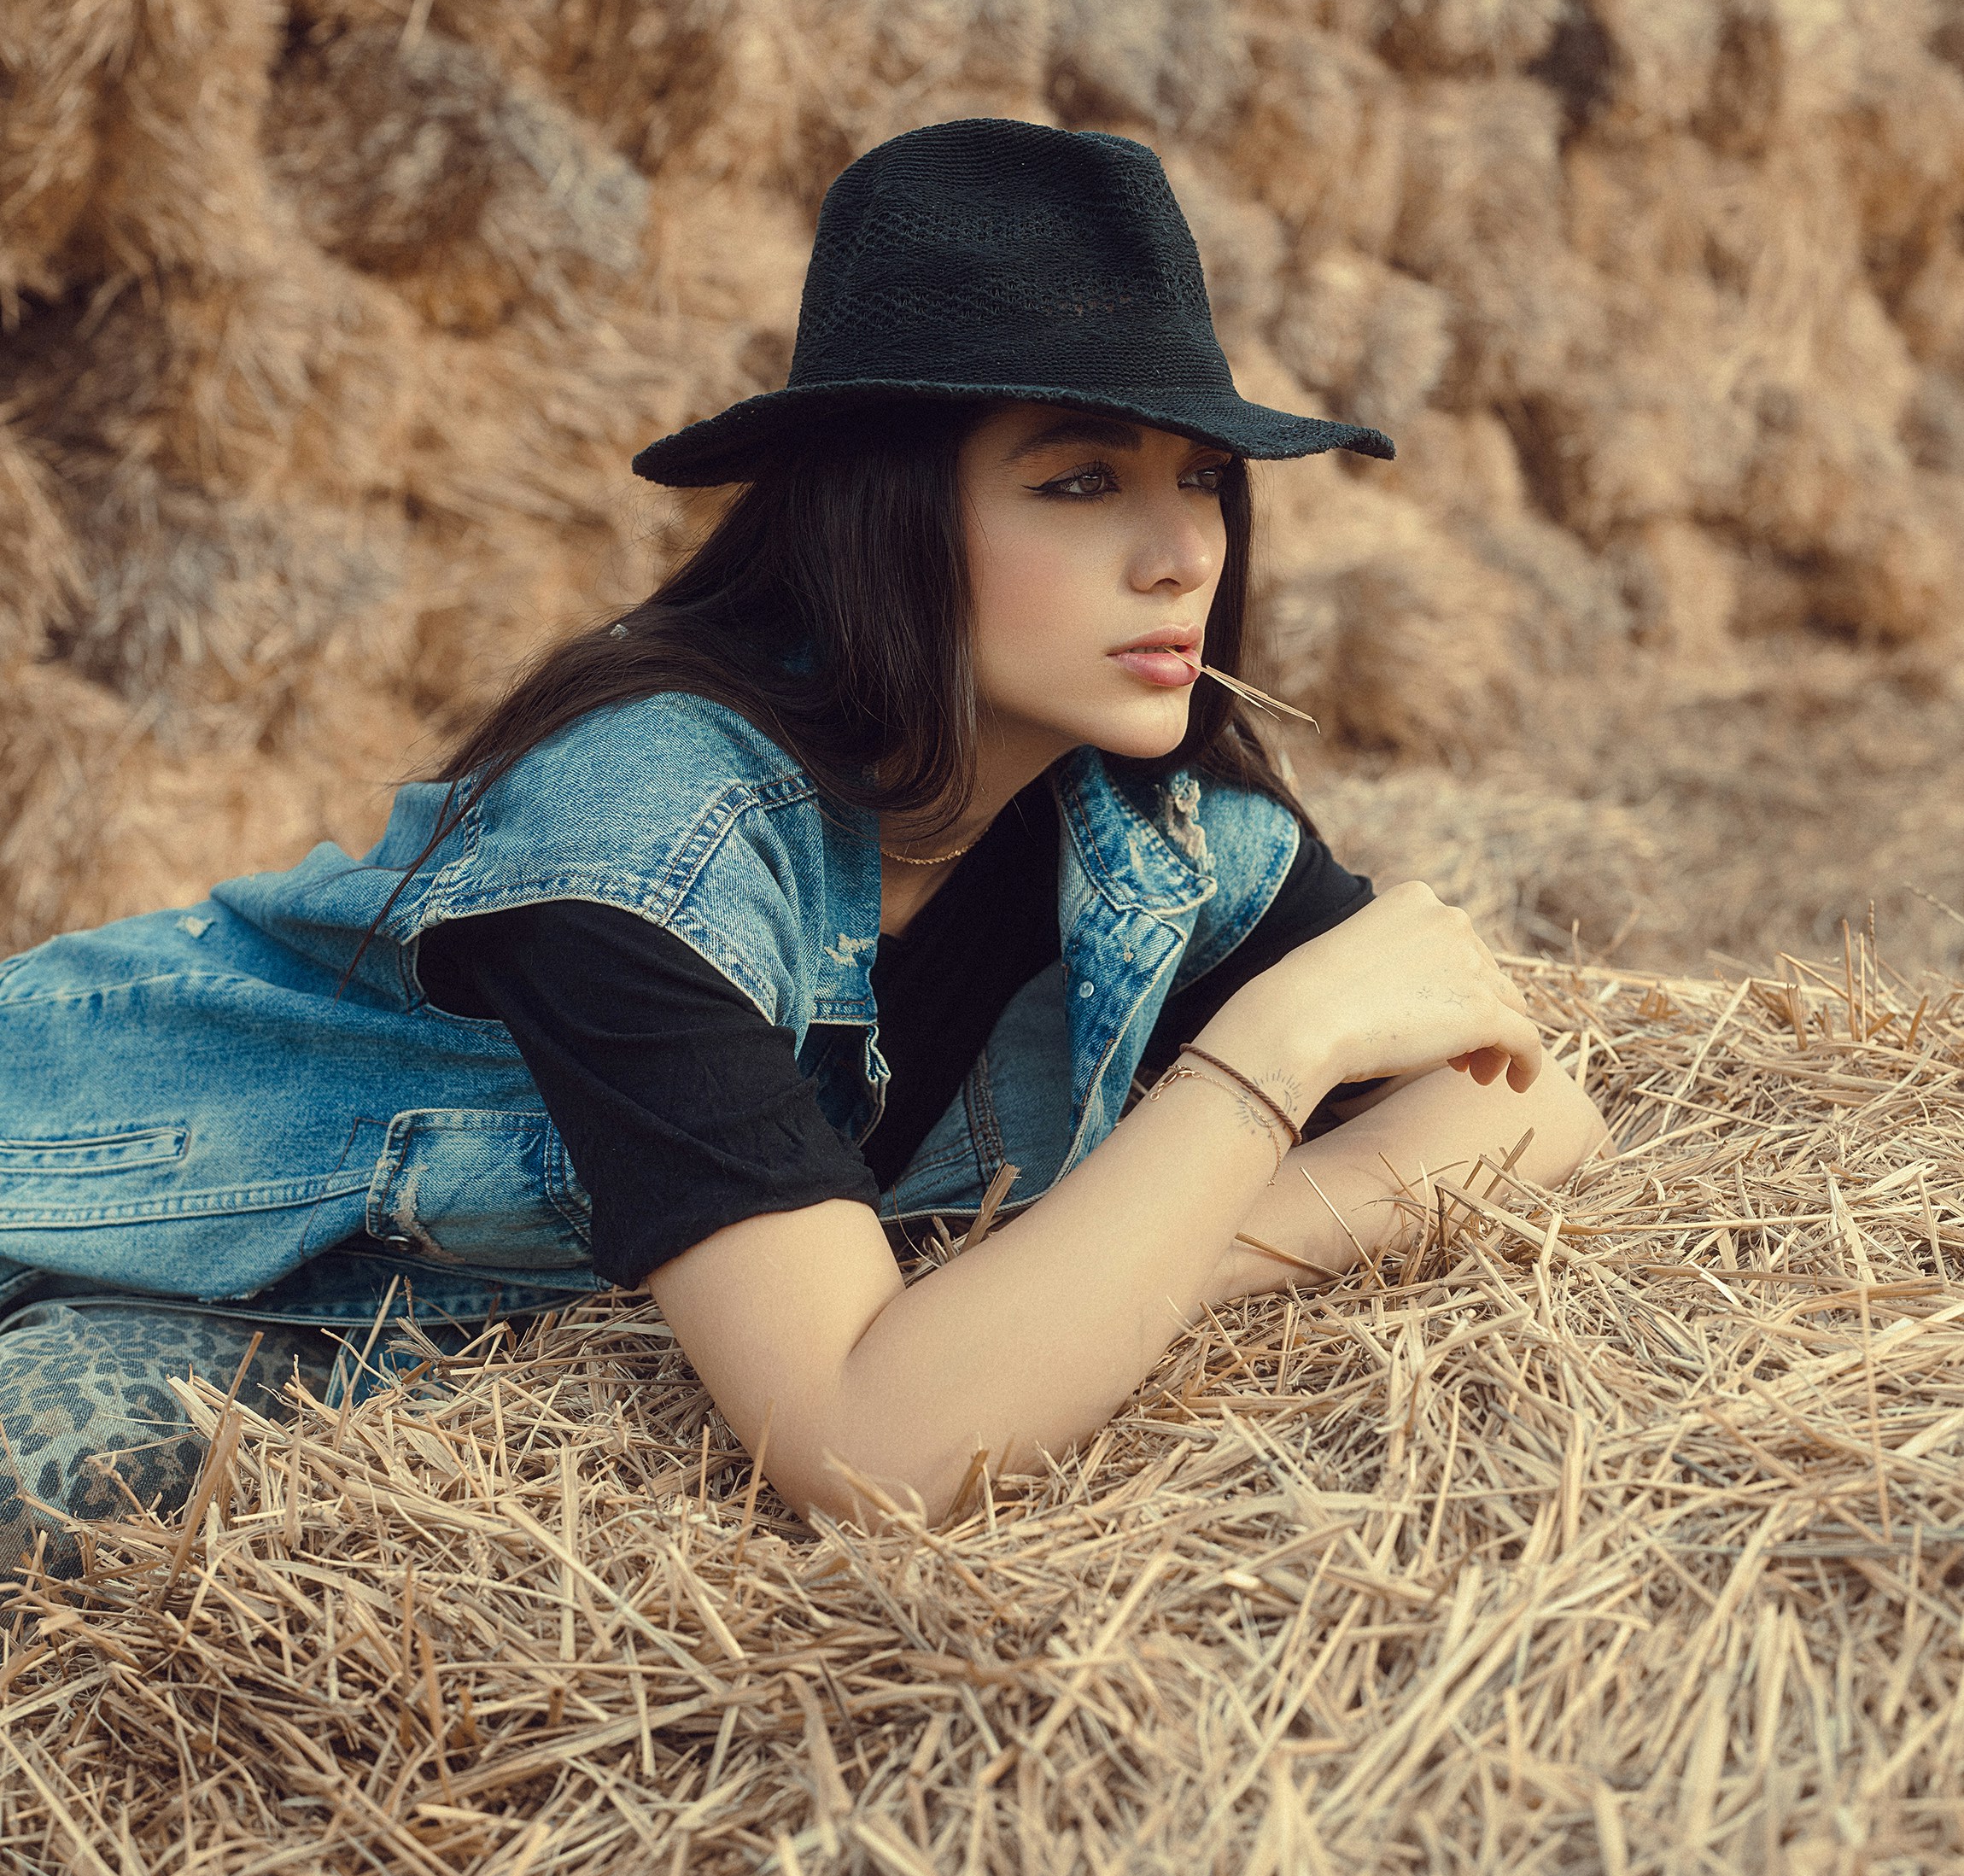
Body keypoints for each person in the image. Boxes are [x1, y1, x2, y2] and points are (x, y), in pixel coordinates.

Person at [0, 120, 1605, 1572]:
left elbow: (1532, 1124)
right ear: (884, 516)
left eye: (1202, 479)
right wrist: (1267, 1066)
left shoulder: (1157, 830)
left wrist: (1150, 1263)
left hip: (357, 1302)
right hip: (88, 1230)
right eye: (1079, 481)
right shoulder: (642, 825)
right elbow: (875, 1447)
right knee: (71, 1473)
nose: (1182, 548)